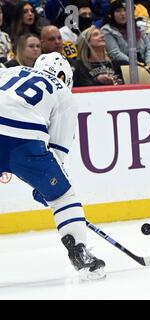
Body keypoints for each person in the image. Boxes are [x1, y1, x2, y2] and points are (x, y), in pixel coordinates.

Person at [0, 52, 106, 279]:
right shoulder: (63, 92)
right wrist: (47, 189)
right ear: (64, 76)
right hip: (23, 139)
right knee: (63, 195)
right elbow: (57, 153)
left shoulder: (12, 71)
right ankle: (79, 251)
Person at [101, 0, 150, 69]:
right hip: (123, 68)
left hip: (145, 66)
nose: (123, 13)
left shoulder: (138, 27)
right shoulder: (107, 30)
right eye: (118, 11)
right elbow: (115, 53)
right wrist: (138, 65)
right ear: (112, 14)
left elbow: (148, 49)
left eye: (126, 10)